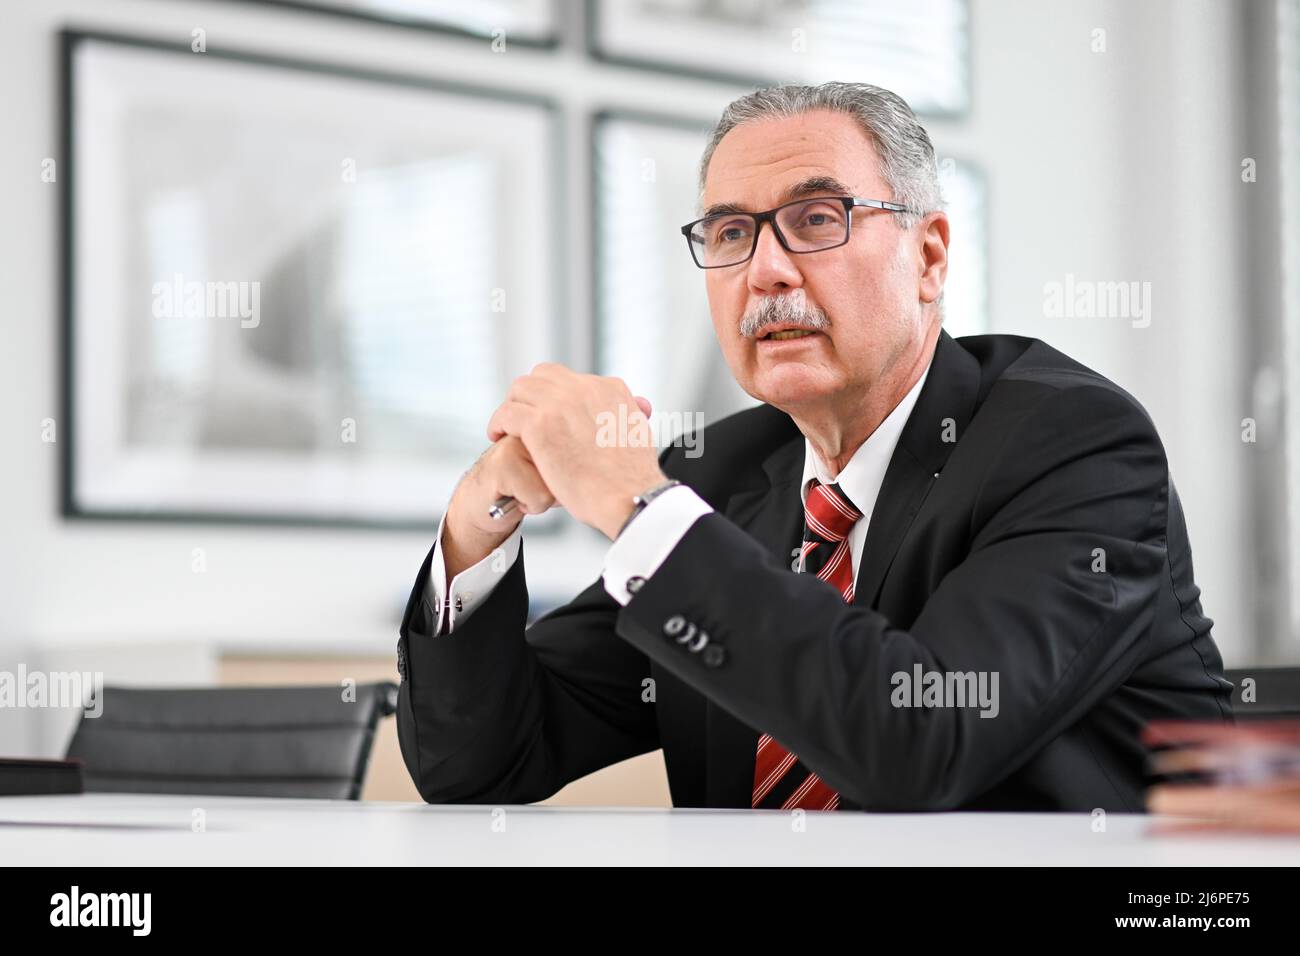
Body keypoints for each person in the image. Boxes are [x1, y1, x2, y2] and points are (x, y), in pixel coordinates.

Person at [395, 81, 1232, 812]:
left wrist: (632, 503)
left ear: (929, 257)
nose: (766, 271)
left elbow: (919, 740)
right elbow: (482, 762)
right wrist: (480, 519)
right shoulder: (720, 474)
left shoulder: (1074, 444)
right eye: (730, 234)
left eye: (816, 219)